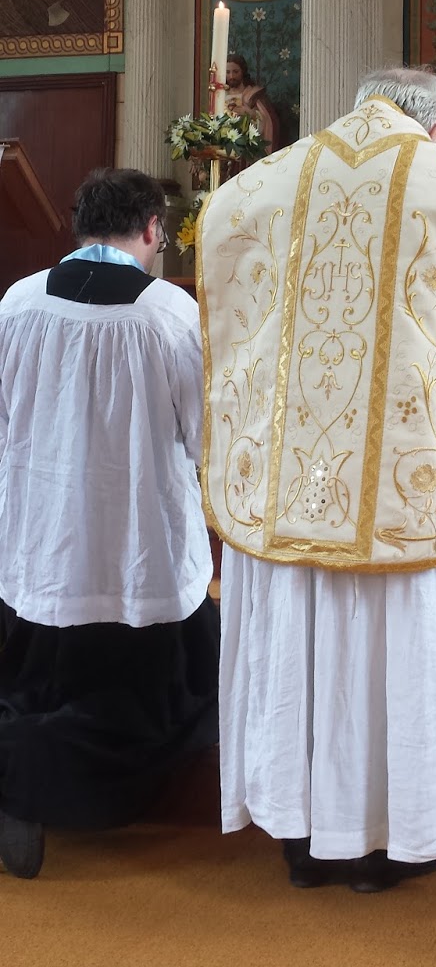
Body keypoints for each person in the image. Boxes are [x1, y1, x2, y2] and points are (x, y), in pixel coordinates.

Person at [199, 65, 436, 893]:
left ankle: (298, 832)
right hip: (410, 473)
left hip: (288, 477)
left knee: (302, 645)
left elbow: (230, 309)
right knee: (402, 648)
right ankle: (396, 840)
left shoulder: (263, 184)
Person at [0, 169, 218, 880]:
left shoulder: (18, 301)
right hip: (136, 554)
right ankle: (36, 776)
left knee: (29, 680)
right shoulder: (168, 312)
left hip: (40, 545)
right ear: (153, 229)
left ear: (77, 225)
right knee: (173, 697)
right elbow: (202, 432)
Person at [224, 53, 280, 152]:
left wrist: (250, 113)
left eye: (235, 72)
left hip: (247, 150)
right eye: (227, 72)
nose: (231, 76)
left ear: (243, 72)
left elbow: (268, 121)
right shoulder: (220, 96)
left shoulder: (253, 95)